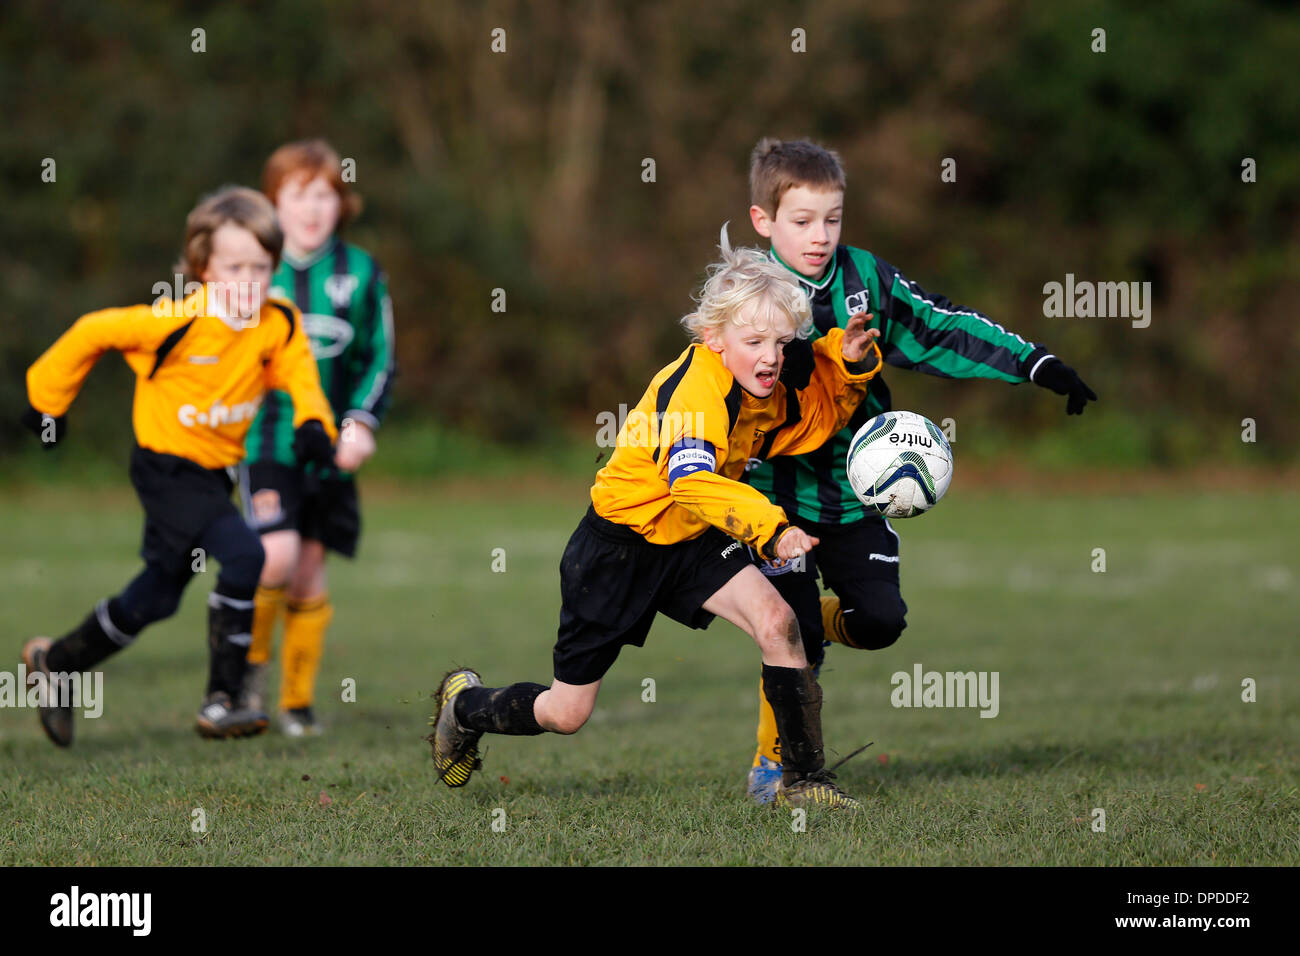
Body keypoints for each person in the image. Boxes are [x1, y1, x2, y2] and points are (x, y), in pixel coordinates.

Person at [430, 226, 883, 809]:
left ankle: (801, 783)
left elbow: (808, 418)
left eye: (781, 342)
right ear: (712, 337)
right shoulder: (695, 391)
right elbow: (690, 481)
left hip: (693, 539)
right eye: (754, 342)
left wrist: (846, 368)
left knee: (779, 622)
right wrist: (772, 528)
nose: (770, 357)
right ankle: (464, 707)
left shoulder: (763, 377)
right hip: (618, 548)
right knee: (567, 713)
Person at [741, 138, 1099, 802]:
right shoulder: (744, 294)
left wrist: (1035, 363)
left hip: (854, 494)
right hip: (771, 495)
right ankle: (776, 768)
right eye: (801, 221)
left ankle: (817, 622)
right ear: (763, 221)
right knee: (787, 631)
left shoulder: (867, 282)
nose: (820, 236)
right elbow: (704, 382)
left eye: (833, 218)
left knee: (880, 623)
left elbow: (940, 328)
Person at [20, 186, 337, 746]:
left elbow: (301, 376)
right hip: (165, 468)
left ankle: (58, 663)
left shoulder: (278, 322)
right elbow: (93, 331)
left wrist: (314, 425)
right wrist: (48, 402)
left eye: (261, 266)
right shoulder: (175, 323)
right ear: (202, 268)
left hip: (214, 473)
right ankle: (223, 699)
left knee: (158, 596)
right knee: (246, 554)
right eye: (233, 265)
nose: (248, 279)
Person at [240, 139, 396, 737]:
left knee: (308, 568)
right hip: (264, 442)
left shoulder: (360, 273)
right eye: (298, 195)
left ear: (342, 203)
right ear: (273, 202)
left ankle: (296, 704)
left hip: (331, 449)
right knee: (272, 556)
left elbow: (380, 359)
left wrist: (360, 421)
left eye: (324, 195)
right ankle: (244, 675)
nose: (312, 209)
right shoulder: (254, 269)